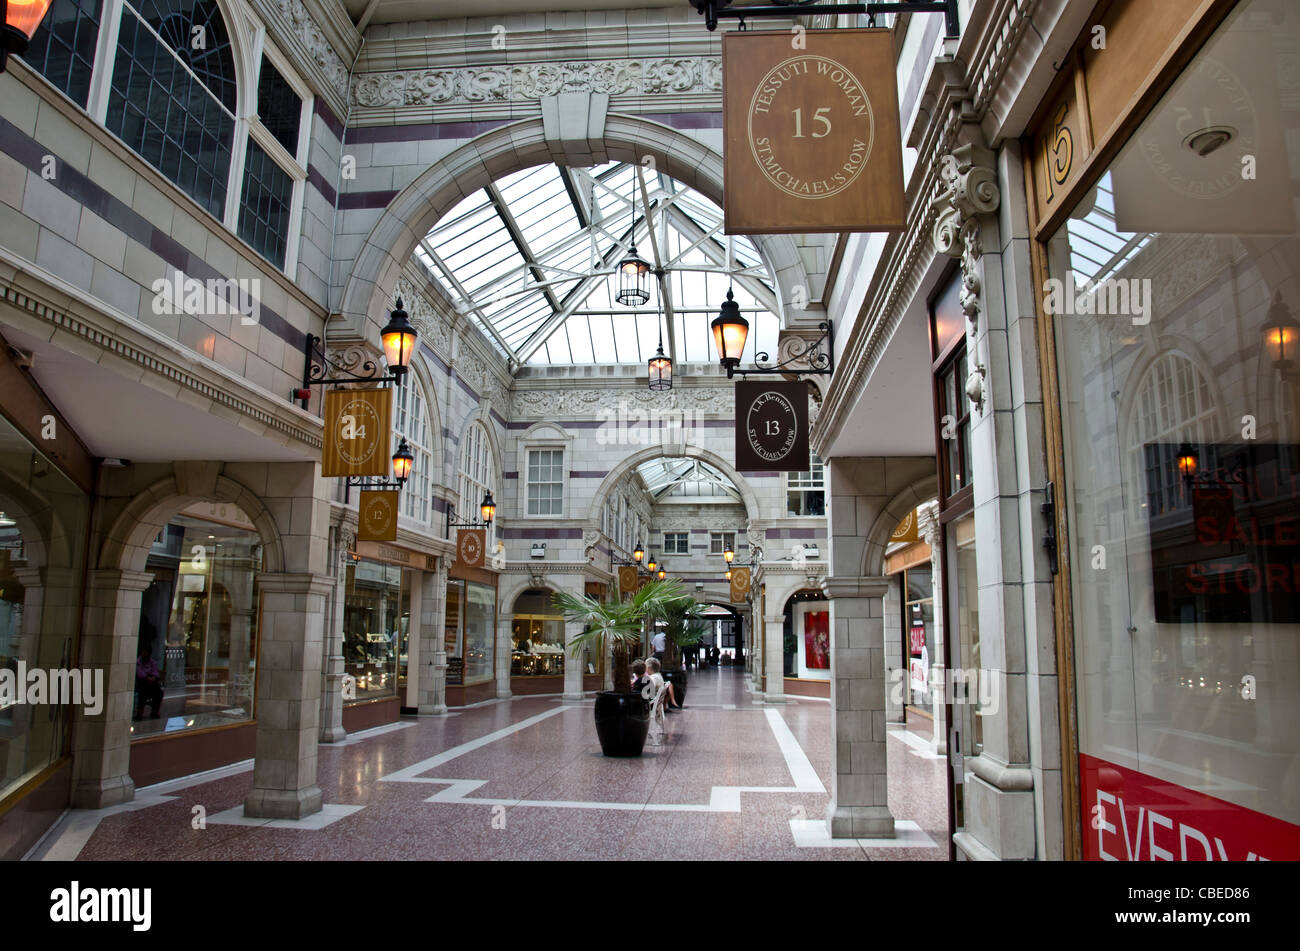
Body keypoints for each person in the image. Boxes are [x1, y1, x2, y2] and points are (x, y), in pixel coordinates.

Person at [643, 657, 669, 746]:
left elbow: (649, 688)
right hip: (657, 705)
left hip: (650, 705)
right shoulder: (659, 676)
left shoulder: (653, 678)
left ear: (649, 668)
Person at [135, 647, 164, 720]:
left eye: (146, 652)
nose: (145, 654)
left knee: (159, 693)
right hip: (142, 683)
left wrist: (153, 677)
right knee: (142, 693)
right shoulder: (138, 662)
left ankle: (154, 711)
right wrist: (147, 677)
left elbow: (155, 672)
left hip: (151, 683)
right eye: (143, 652)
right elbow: (139, 673)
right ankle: (139, 713)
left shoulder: (152, 662)